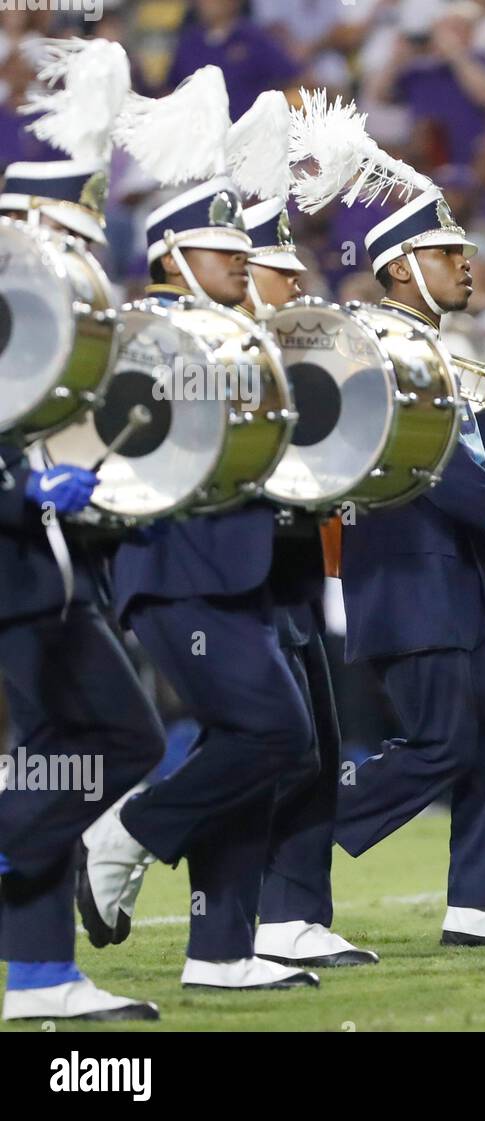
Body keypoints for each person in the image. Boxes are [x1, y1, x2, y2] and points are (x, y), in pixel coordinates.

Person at [290, 92, 485, 945]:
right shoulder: (380, 343)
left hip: (452, 585)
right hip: (409, 582)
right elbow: (435, 470)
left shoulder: (430, 348)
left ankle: (479, 905)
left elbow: (460, 472)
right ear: (403, 266)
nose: (469, 265)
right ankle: (291, 836)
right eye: (450, 253)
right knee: (444, 743)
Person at [79, 70, 321, 991]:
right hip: (179, 570)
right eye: (223, 252)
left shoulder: (232, 335)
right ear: (174, 254)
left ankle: (221, 952)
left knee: (248, 746)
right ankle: (124, 834)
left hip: (237, 571)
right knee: (275, 737)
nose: (240, 264)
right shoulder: (154, 333)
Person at [0, 39, 164, 1021]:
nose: (86, 254)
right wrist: (29, 495)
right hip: (13, 569)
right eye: (74, 230)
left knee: (59, 751)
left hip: (42, 567)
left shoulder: (47, 318)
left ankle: (37, 976)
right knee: (122, 736)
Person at [236, 182, 378, 969]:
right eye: (277, 273)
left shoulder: (294, 356)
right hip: (227, 578)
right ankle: (137, 833)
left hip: (291, 567)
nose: (297, 286)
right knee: (263, 743)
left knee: (316, 744)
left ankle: (291, 914)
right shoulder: (217, 350)